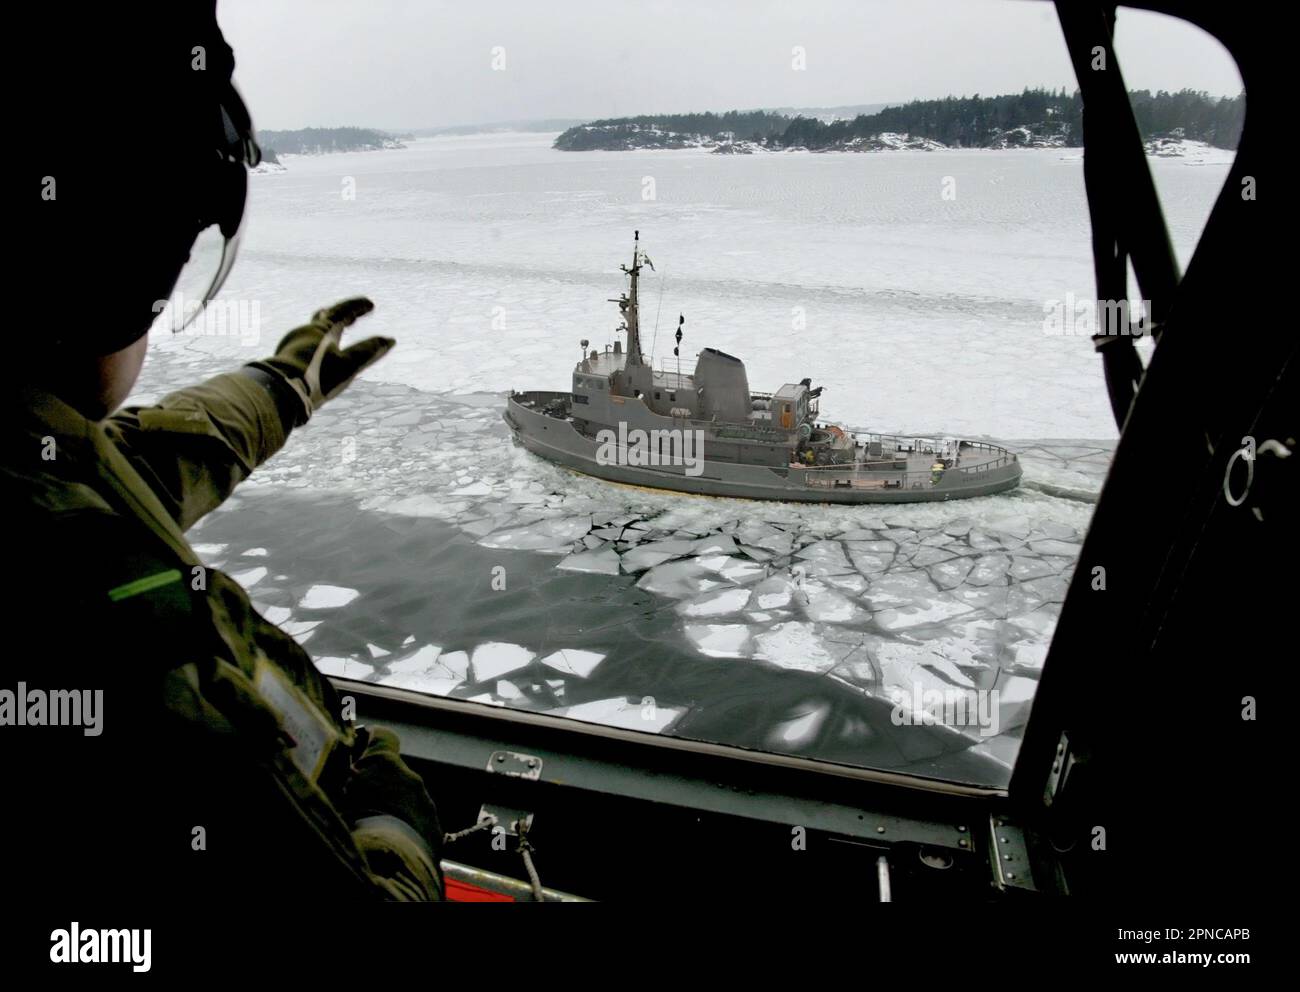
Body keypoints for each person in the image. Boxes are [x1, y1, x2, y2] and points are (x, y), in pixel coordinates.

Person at [5, 3, 444, 902]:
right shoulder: (111, 622)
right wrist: (394, 822)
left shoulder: (31, 469)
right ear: (118, 268)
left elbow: (130, 465)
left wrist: (282, 388)